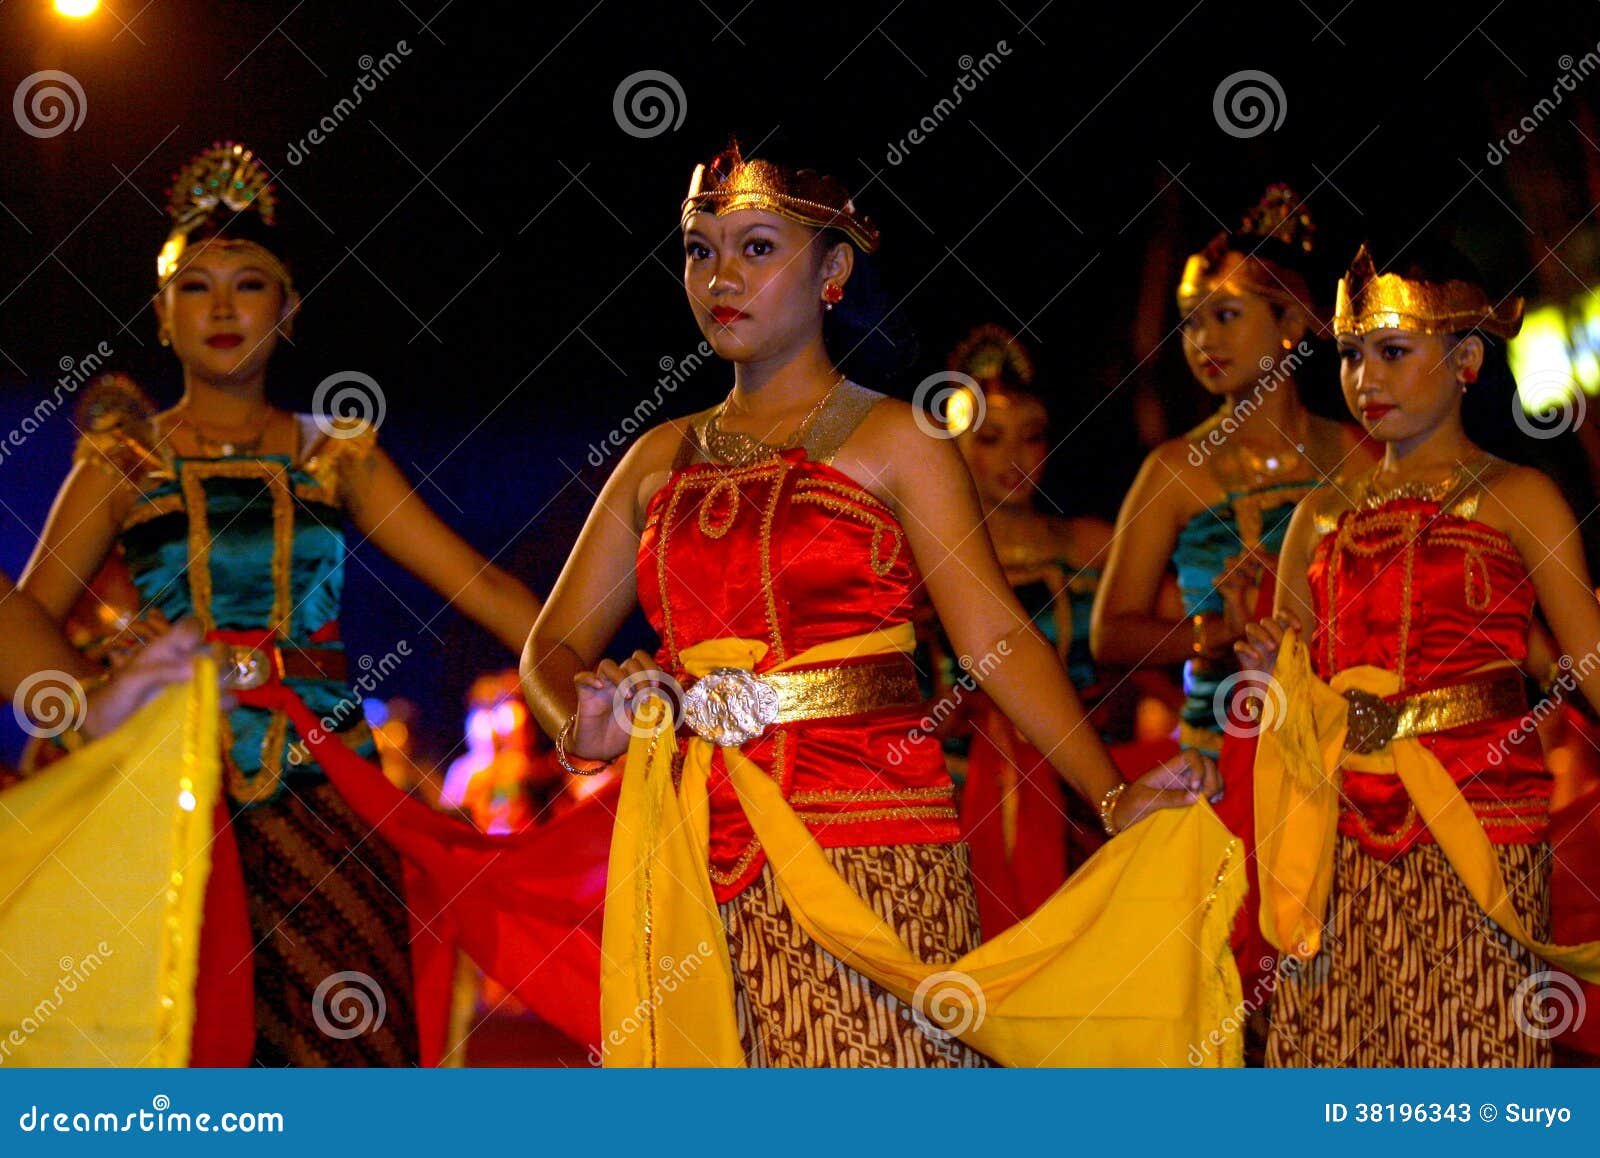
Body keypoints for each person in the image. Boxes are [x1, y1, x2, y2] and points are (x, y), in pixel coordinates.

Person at [522, 143, 1234, 1069]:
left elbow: (995, 638)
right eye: (700, 250)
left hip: (875, 848)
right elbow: (554, 647)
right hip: (696, 853)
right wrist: (580, 721)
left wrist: (1109, 793)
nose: (721, 277)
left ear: (833, 270)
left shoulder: (900, 441)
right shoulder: (658, 457)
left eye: (758, 248)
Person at [18, 143, 544, 1066]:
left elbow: (485, 587)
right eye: (196, 287)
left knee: (350, 1048)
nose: (223, 307)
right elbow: (26, 617)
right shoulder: (119, 461)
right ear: (162, 315)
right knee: (179, 1045)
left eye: (250, 284)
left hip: (324, 792)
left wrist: (580, 678)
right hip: (166, 794)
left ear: (289, 309)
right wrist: (91, 695)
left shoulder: (336, 454)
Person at [1240, 240, 1600, 1066]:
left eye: (1393, 353)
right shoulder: (1317, 518)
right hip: (1336, 832)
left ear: (1467, 359)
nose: (1366, 379)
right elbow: (1295, 683)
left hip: (1477, 822)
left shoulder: (1519, 496)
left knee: (1477, 1051)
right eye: (1352, 356)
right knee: (1338, 1057)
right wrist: (1272, 676)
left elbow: (1586, 659)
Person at [928, 324, 1179, 936]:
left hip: (1082, 783)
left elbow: (1177, 620)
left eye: (1032, 438)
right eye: (990, 440)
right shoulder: (922, 557)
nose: (1015, 459)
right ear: (956, 450)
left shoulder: (1090, 545)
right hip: (953, 792)